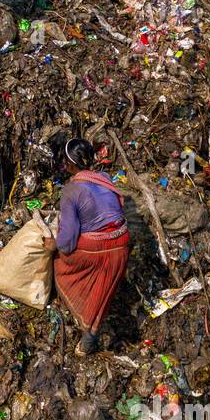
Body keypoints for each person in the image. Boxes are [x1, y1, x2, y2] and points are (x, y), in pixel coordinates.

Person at [44, 138, 130, 356]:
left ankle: (87, 330)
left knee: (63, 267)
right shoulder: (104, 179)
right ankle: (92, 327)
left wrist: (53, 245)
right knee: (104, 287)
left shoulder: (71, 191)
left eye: (65, 163)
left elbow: (67, 241)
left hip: (98, 250)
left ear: (70, 164)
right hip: (122, 243)